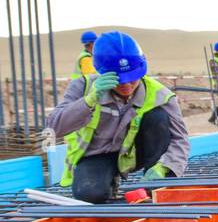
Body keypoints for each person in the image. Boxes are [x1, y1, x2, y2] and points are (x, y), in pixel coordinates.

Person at [48, 30, 190, 203]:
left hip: (136, 152)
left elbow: (180, 139)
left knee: (158, 117)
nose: (127, 84)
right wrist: (88, 101)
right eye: (119, 79)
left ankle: (152, 184)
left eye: (132, 77)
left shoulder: (160, 94)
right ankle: (109, 181)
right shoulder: (83, 86)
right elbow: (54, 127)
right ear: (101, 71)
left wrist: (165, 166)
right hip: (98, 154)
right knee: (90, 194)